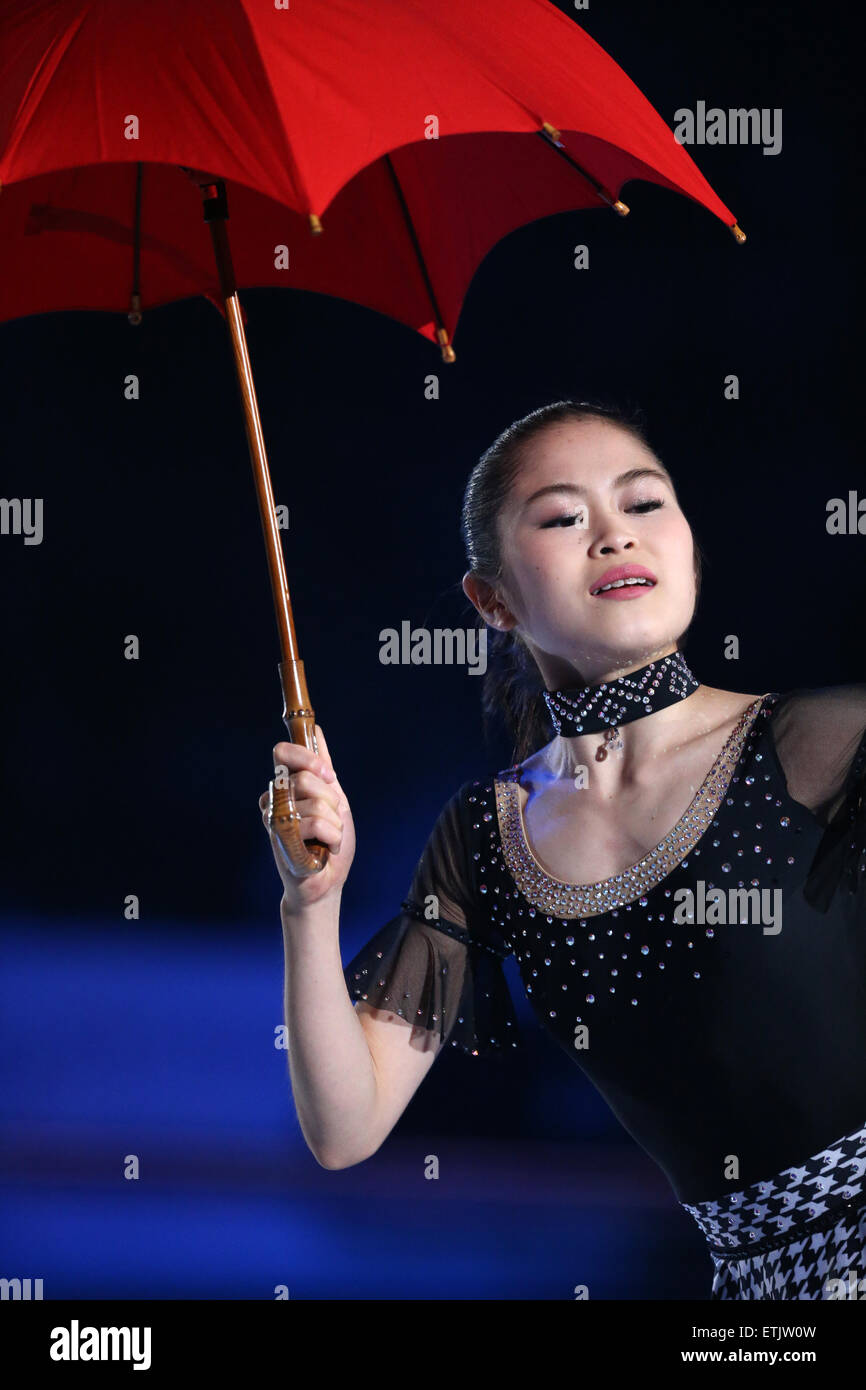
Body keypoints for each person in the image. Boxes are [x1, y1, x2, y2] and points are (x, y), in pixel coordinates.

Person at [260, 399, 866, 1301]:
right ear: (492, 598)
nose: (615, 536)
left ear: (690, 545)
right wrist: (310, 906)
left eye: (645, 503)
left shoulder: (826, 744)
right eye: (563, 517)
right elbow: (344, 1128)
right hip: (760, 1297)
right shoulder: (486, 839)